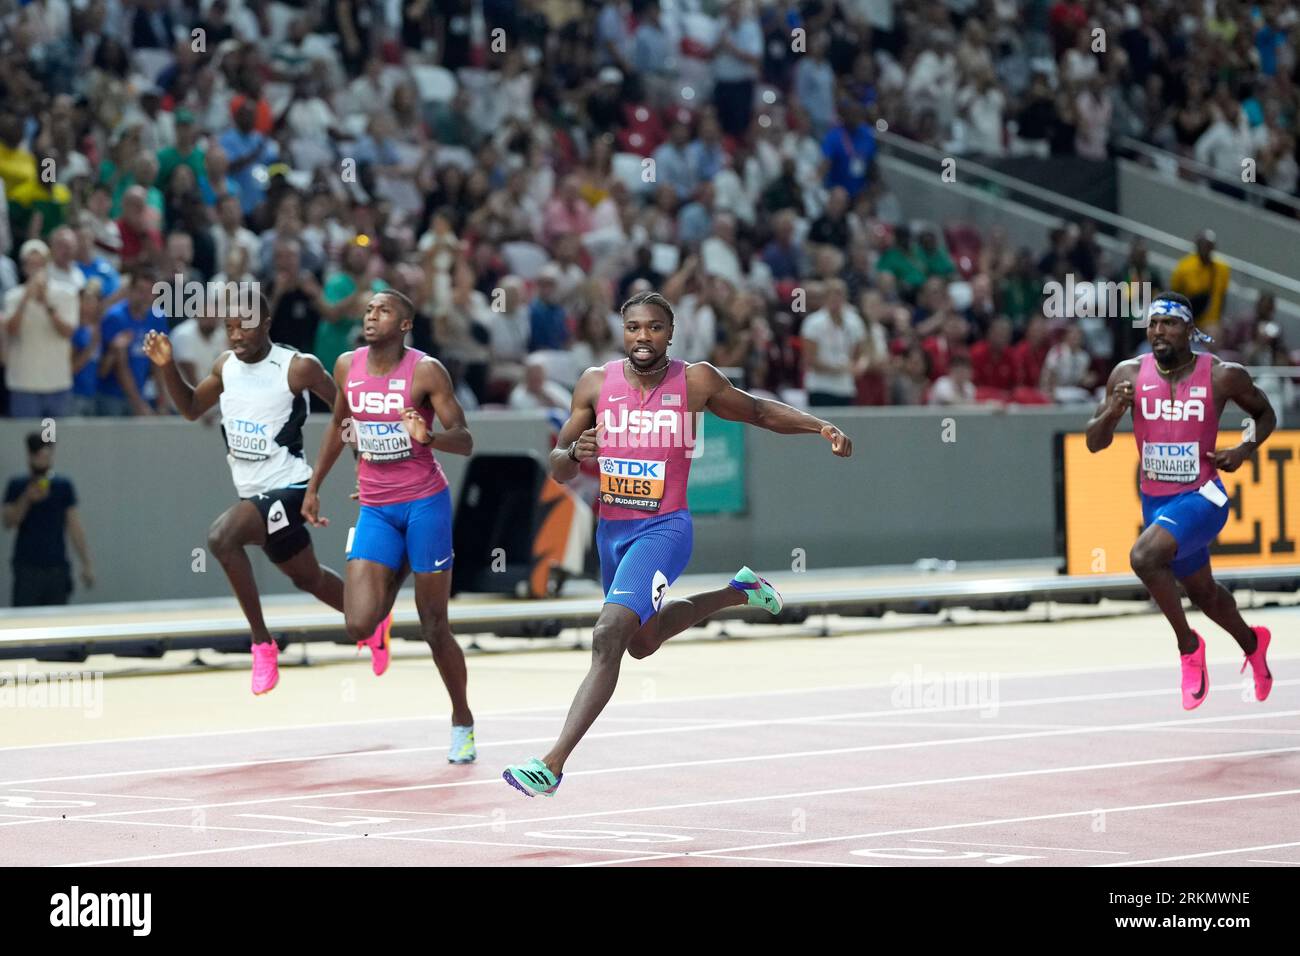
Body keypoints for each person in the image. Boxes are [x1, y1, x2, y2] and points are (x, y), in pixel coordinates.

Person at [502, 290, 853, 797]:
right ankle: (740, 591)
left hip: (664, 529)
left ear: (671, 333)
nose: (643, 337)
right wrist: (573, 451)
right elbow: (558, 468)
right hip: (612, 533)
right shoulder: (595, 383)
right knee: (640, 644)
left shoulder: (696, 381)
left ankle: (552, 764)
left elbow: (757, 411)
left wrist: (819, 425)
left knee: (607, 635)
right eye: (633, 328)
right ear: (623, 333)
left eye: (654, 328)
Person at [142, 294, 387, 695]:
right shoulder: (225, 366)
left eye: (246, 325)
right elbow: (189, 408)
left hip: (289, 487)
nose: (237, 334)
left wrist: (365, 465)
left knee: (222, 537)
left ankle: (262, 643)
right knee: (307, 577)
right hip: (252, 492)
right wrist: (167, 365)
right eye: (230, 327)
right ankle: (371, 622)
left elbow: (346, 411)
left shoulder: (298, 367)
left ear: (268, 322)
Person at [303, 290, 479, 763]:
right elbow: (341, 426)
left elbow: (465, 439)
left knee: (434, 625)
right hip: (377, 508)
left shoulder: (425, 371)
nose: (371, 316)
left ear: (404, 325)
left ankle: (461, 719)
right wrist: (313, 485)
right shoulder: (346, 365)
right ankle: (392, 581)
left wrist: (431, 436)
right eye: (368, 310)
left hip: (425, 504)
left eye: (383, 311)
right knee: (359, 622)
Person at [1085, 293, 1275, 709]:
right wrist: (1114, 411)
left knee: (1144, 557)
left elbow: (1266, 415)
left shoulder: (1223, 375)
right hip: (1156, 502)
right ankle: (1253, 644)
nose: (1158, 332)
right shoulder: (1128, 375)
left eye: (1168, 324)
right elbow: (1094, 443)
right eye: (1152, 324)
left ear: (1189, 330)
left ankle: (1189, 647)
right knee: (1205, 595)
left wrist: (1243, 449)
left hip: (1204, 497)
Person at [3, 432, 94, 606]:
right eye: (38, 454)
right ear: (30, 456)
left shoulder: (62, 485)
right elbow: (9, 522)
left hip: (56, 567)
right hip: (27, 567)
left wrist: (86, 563)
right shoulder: (17, 485)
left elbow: (74, 526)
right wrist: (27, 499)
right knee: (24, 623)